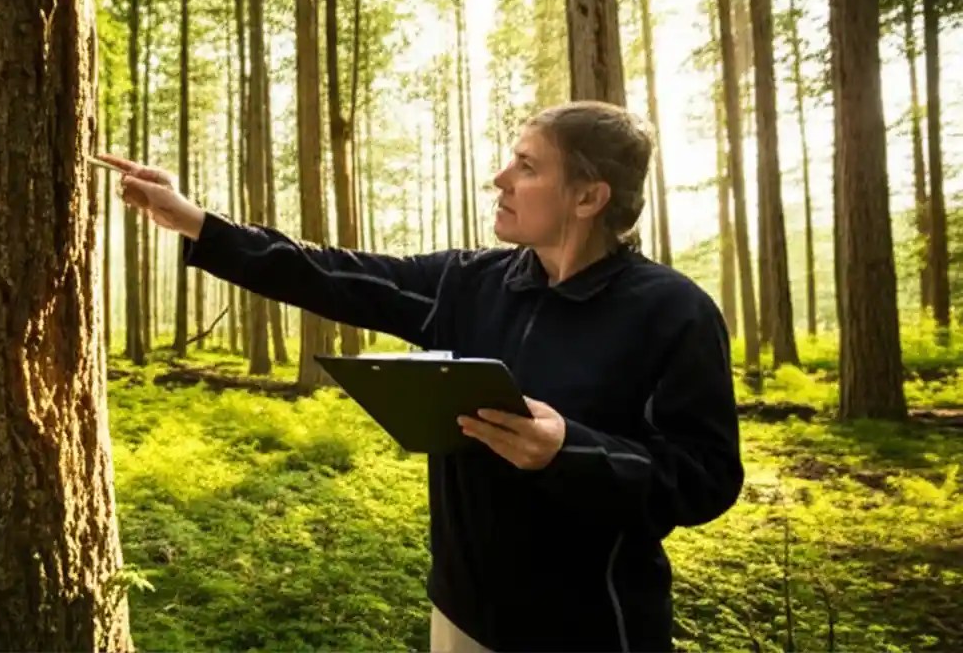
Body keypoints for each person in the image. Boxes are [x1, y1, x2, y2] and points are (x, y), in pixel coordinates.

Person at [101, 100, 743, 652]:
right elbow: (328, 273)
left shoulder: (673, 311)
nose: (500, 177)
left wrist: (569, 449)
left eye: (527, 165)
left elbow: (706, 478)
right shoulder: (471, 283)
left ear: (588, 195)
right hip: (460, 615)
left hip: (593, 628)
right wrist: (193, 220)